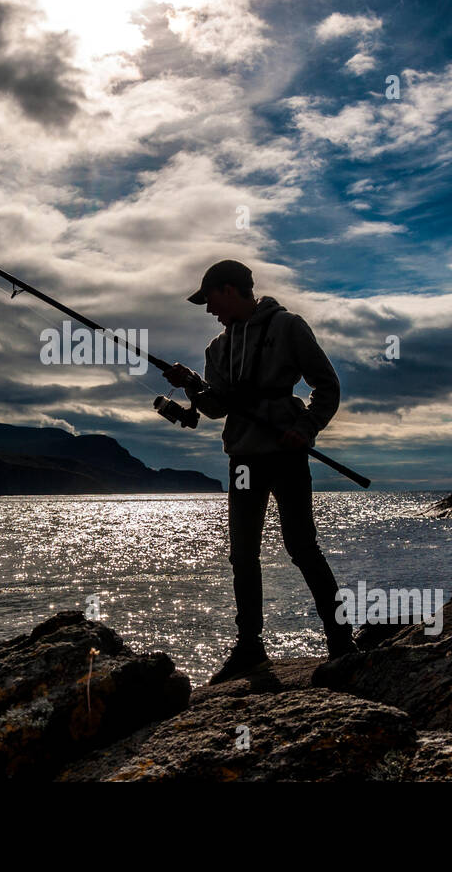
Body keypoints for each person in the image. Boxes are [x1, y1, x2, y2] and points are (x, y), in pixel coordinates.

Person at [163, 260, 356, 685]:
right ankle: (249, 646)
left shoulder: (288, 326)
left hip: (287, 456)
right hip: (244, 460)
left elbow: (327, 386)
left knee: (303, 547)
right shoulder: (217, 348)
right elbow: (216, 408)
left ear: (230, 290)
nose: (209, 309)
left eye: (210, 299)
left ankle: (342, 641)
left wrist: (305, 428)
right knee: (242, 554)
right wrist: (191, 383)